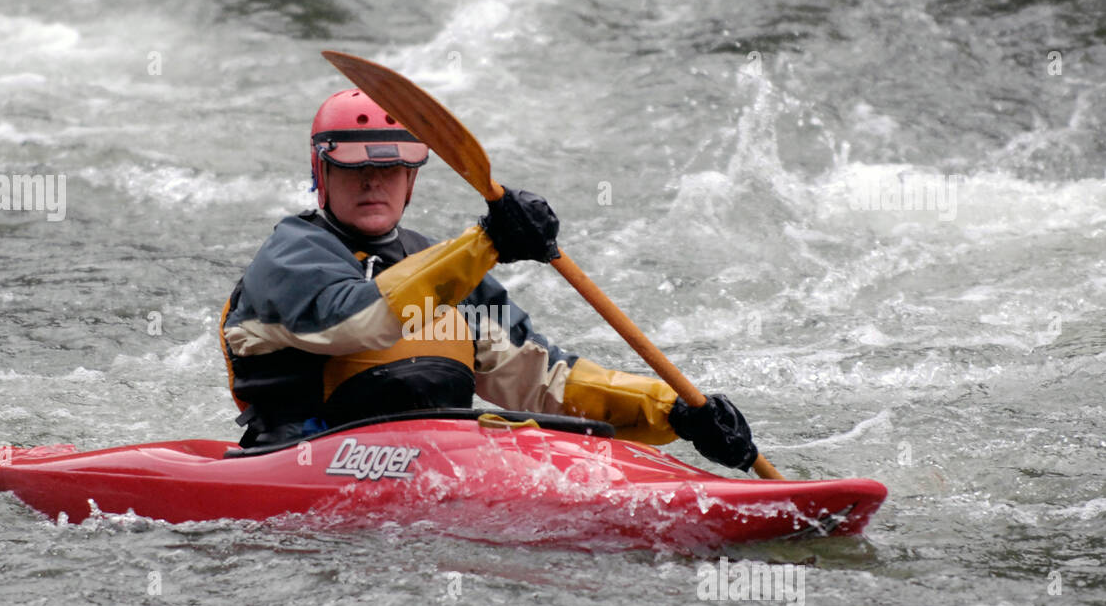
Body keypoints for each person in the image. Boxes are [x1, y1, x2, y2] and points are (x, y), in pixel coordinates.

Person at [220, 88, 758, 471]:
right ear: (322, 173)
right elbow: (360, 320)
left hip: (436, 459)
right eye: (355, 168)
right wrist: (487, 242)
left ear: (411, 180)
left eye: (390, 169)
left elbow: (544, 381)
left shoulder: (441, 266)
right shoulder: (290, 256)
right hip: (303, 458)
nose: (373, 182)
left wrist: (675, 411)